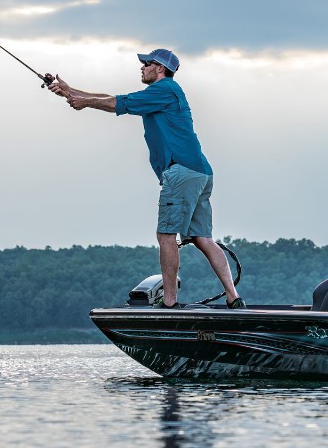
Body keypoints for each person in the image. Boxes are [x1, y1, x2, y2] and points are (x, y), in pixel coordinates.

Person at [48, 49, 245, 309]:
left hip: (182, 172)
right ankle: (233, 297)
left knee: (166, 235)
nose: (141, 67)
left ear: (160, 68)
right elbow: (111, 98)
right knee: (202, 238)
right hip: (200, 172)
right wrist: (70, 91)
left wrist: (81, 101)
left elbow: (117, 103)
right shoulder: (161, 94)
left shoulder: (164, 90)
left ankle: (170, 302)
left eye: (146, 63)